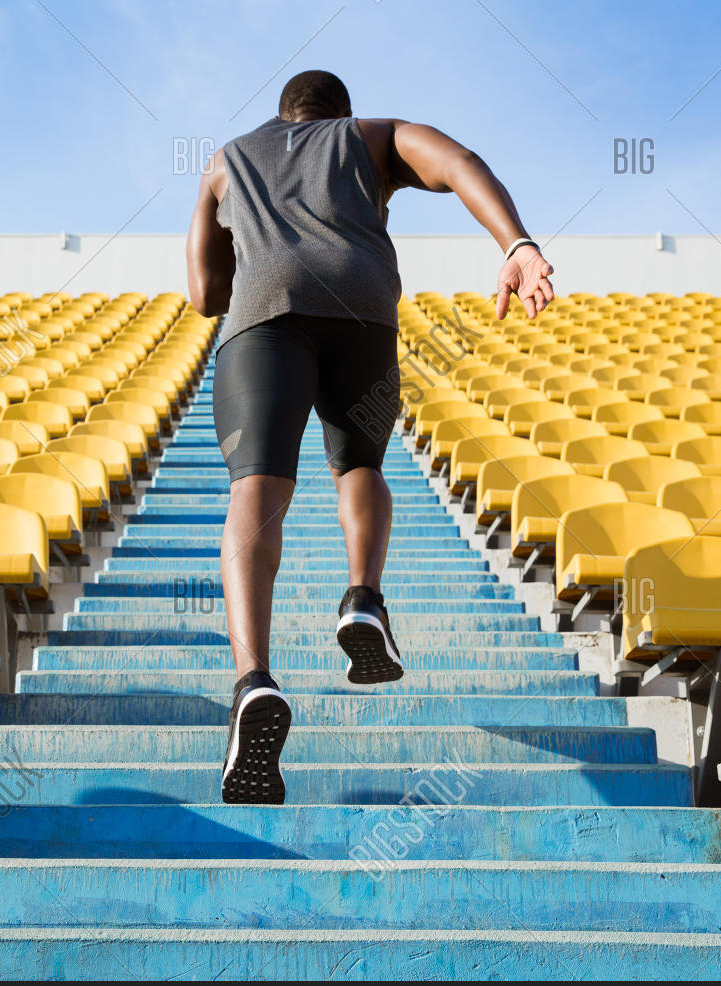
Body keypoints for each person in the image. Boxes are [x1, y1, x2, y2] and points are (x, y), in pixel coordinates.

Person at [185, 69, 555, 804]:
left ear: (282, 114)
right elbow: (458, 163)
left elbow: (205, 294)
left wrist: (255, 232)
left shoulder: (227, 158)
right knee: (359, 464)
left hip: (266, 314)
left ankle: (254, 680)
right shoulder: (372, 137)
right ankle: (362, 596)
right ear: (338, 114)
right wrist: (516, 243)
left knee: (257, 487)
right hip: (364, 310)